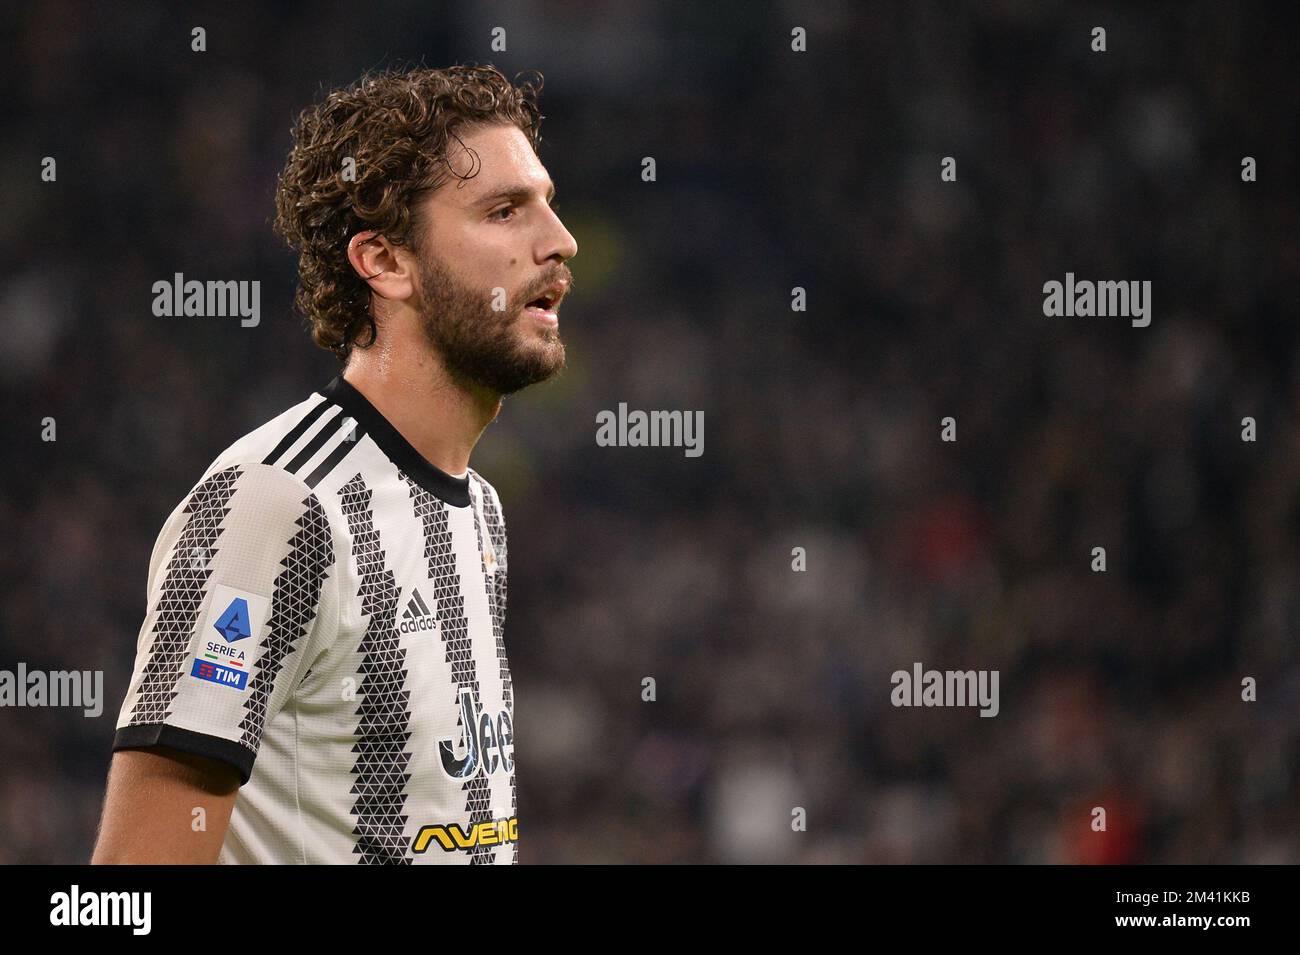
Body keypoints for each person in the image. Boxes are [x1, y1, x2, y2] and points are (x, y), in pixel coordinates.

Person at [92, 64, 577, 864]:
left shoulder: (477, 507)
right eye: (503, 211)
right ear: (385, 261)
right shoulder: (276, 501)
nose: (559, 240)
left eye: (547, 204)